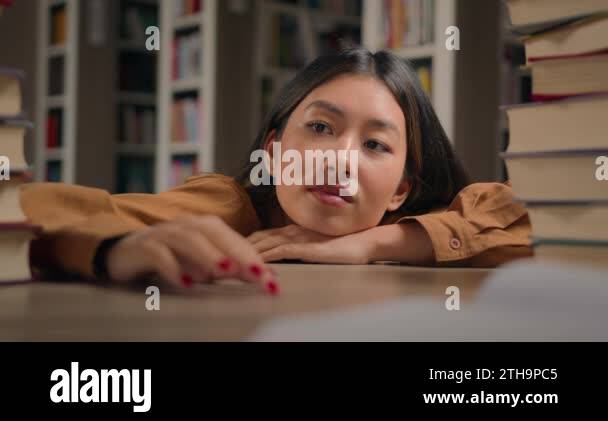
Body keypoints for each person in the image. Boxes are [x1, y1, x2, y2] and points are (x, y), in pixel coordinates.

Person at [20, 48, 533, 294]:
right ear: (273, 152)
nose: (339, 158)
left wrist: (378, 244)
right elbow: (27, 210)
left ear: (401, 189)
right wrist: (114, 247)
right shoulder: (228, 205)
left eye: (375, 143)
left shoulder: (428, 229)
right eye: (321, 128)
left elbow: (555, 213)